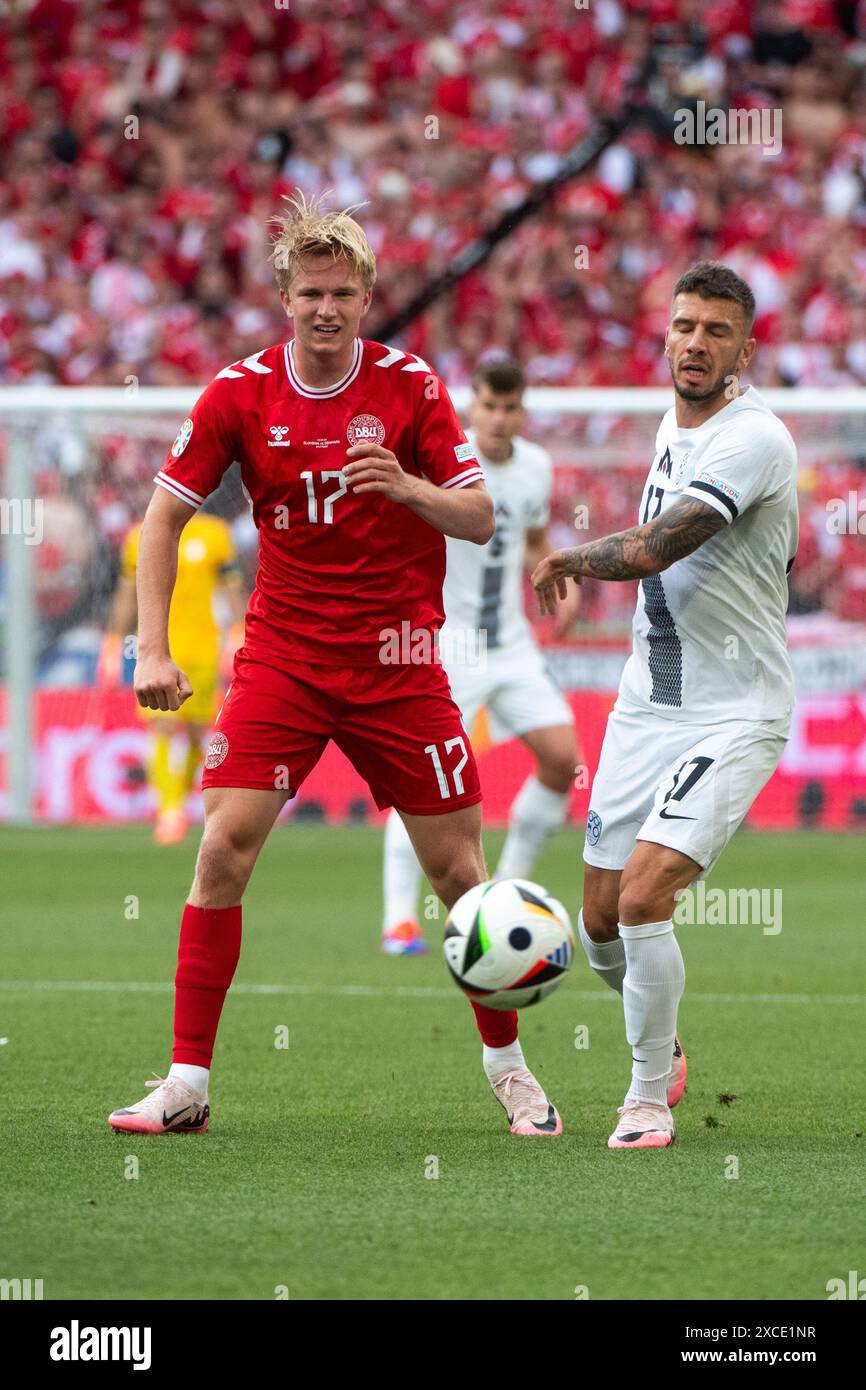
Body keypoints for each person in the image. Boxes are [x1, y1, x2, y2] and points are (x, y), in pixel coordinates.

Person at [107, 193, 563, 1139]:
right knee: (222, 848)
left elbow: (482, 518)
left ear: (366, 298)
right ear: (285, 295)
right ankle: (187, 1081)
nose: (325, 309)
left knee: (459, 877)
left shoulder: (413, 389)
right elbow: (162, 517)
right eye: (310, 292)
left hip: (399, 665)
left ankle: (510, 1069)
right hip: (284, 658)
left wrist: (405, 485)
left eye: (343, 294)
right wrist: (148, 646)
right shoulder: (238, 393)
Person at [532, 262, 798, 1149]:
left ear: (744, 349)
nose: (695, 342)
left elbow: (655, 546)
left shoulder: (755, 438)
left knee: (646, 897)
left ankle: (645, 1097)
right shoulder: (668, 423)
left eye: (716, 331)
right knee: (599, 921)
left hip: (736, 712)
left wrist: (571, 557)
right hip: (648, 705)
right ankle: (665, 1038)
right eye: (685, 325)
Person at [381, 357, 581, 955]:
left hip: (513, 645)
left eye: (510, 407)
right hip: (449, 647)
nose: (499, 418)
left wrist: (556, 577)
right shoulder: (446, 461)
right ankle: (398, 920)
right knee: (423, 782)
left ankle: (510, 889)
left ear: (522, 411)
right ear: (473, 409)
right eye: (489, 406)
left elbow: (533, 538)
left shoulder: (536, 468)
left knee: (561, 759)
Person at [99, 509, 246, 843]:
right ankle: (169, 810)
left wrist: (238, 633)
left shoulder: (215, 534)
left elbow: (231, 590)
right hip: (156, 648)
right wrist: (111, 645)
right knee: (162, 726)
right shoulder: (141, 535)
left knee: (196, 734)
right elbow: (126, 596)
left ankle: (178, 802)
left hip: (205, 649)